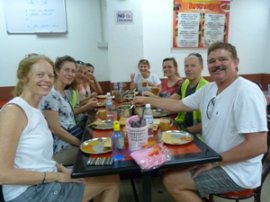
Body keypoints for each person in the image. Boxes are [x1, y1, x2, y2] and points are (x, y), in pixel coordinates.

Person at [133, 42, 268, 201]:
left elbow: (258, 146)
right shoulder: (209, 89)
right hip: (212, 157)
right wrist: (146, 99)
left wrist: (215, 162)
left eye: (223, 59)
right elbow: (178, 104)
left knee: (172, 181)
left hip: (236, 171)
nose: (217, 64)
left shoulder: (246, 91)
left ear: (236, 62)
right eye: (212, 61)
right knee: (169, 167)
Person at [0, 54, 119, 202]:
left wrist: (62, 169)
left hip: (44, 180)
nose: (47, 80)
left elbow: (40, 157)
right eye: (40, 74)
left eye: (50, 75)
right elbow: (3, 174)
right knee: (111, 181)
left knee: (108, 175)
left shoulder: (35, 110)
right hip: (29, 192)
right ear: (24, 77)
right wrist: (58, 176)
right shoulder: (14, 111)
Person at [40, 55, 97, 166]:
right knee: (98, 153)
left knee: (101, 142)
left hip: (71, 139)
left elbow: (67, 119)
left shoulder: (63, 92)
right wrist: (80, 143)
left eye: (73, 71)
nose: (70, 74)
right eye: (66, 70)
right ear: (56, 70)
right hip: (61, 147)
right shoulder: (51, 94)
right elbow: (55, 129)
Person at [172, 53, 208, 134]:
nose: (188, 69)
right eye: (186, 66)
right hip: (180, 125)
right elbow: (171, 101)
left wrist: (185, 132)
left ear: (201, 67)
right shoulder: (185, 83)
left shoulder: (207, 88)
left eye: (193, 65)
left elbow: (209, 122)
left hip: (197, 135)